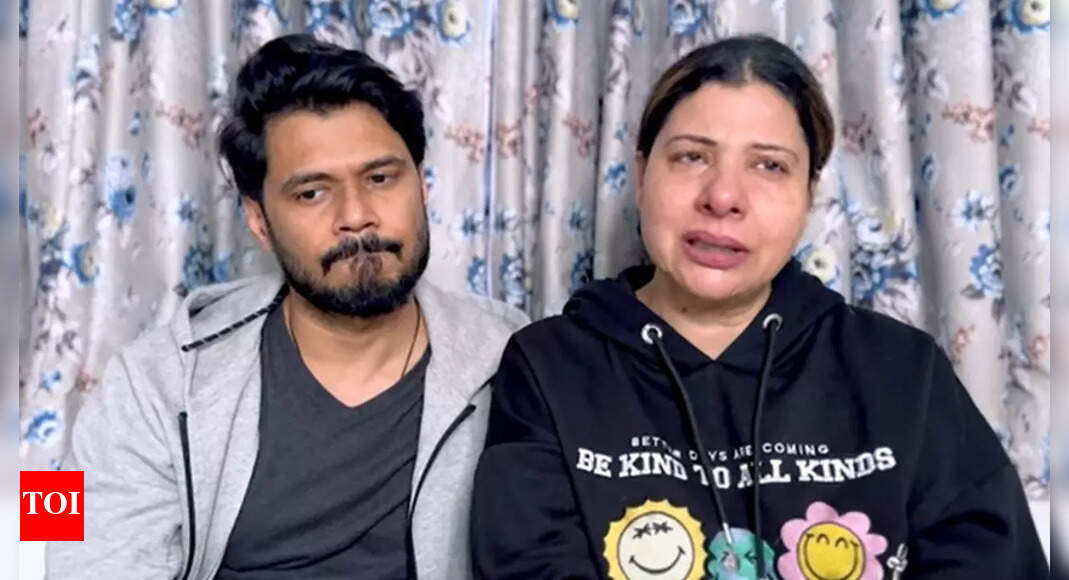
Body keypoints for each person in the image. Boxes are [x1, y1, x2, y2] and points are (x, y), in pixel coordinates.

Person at [471, 35, 1047, 579]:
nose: (723, 196)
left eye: (769, 165)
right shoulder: (551, 366)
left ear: (809, 194)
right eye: (692, 157)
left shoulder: (902, 370)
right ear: (642, 174)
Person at [47, 34, 527, 579]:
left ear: (422, 185)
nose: (356, 215)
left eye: (380, 178)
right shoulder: (152, 380)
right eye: (311, 193)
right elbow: (68, 550)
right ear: (258, 220)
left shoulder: (516, 360)